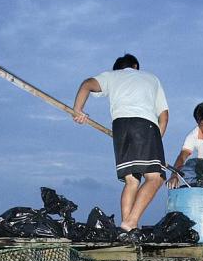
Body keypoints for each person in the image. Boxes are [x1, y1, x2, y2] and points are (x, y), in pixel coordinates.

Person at [72, 53, 169, 237]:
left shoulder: (111, 75)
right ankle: (130, 223)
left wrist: (77, 110)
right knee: (155, 178)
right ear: (135, 66)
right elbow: (164, 117)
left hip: (120, 128)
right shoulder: (151, 78)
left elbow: (86, 84)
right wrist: (155, 144)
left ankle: (129, 231)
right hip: (144, 125)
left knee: (132, 181)